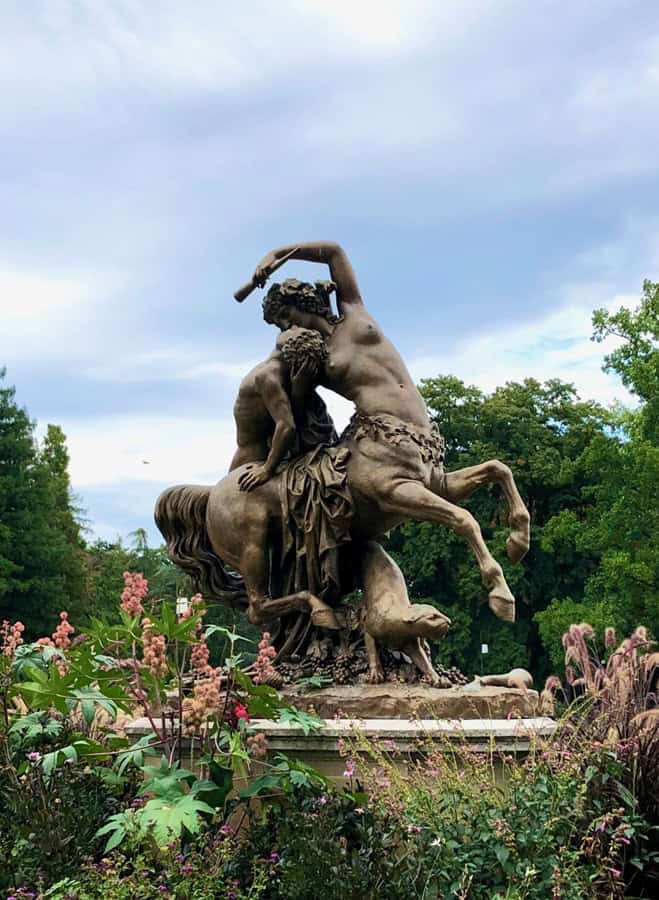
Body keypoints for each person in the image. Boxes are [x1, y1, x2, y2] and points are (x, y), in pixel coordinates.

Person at [229, 324, 336, 492]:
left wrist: (299, 389)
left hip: (279, 451)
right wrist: (266, 470)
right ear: (297, 362)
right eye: (307, 368)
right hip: (254, 460)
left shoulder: (287, 367)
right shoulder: (268, 377)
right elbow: (286, 427)